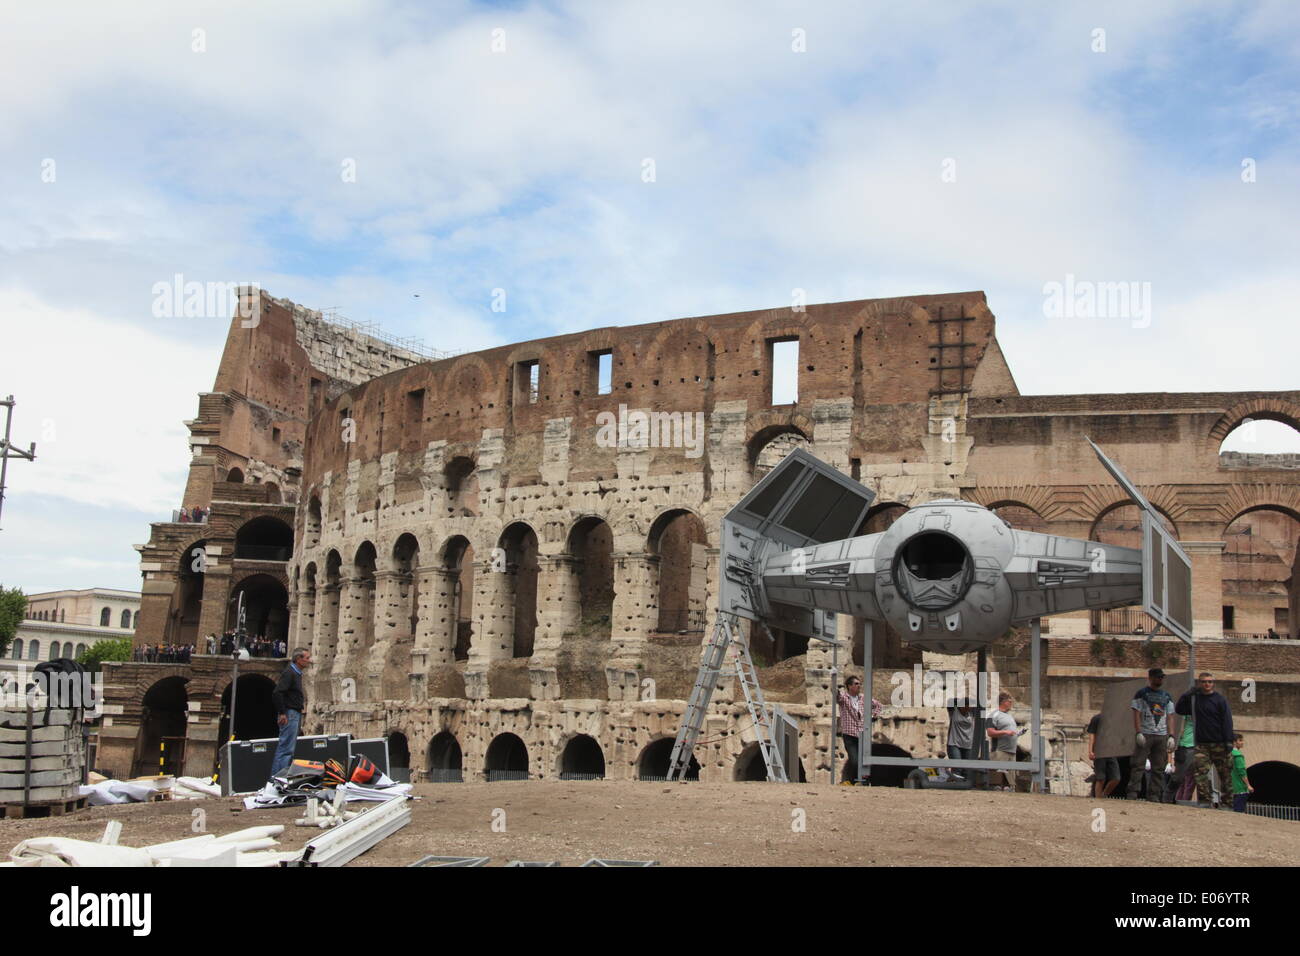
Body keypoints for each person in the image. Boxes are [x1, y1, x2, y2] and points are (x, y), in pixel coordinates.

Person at [1175, 672, 1235, 809]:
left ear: (1213, 683)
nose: (1207, 684)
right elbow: (1179, 709)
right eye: (1203, 682)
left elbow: (1227, 721)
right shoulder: (1196, 700)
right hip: (1202, 744)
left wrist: (1229, 741)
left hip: (1220, 743)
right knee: (1199, 774)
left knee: (1225, 775)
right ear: (1199, 683)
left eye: (1209, 681)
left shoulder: (1220, 700)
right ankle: (1205, 801)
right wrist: (1186, 695)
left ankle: (1227, 803)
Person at [1128, 668, 1175, 801]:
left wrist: (1171, 735)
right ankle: (1133, 792)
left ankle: (1154, 794)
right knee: (1138, 764)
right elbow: (1136, 713)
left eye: (1161, 677)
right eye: (1157, 677)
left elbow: (1170, 716)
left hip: (1161, 735)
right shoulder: (1141, 694)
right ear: (1150, 678)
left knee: (1159, 766)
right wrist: (1138, 732)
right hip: (1146, 733)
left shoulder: (1167, 696)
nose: (1160, 679)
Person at [270, 648, 312, 776]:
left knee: (289, 748)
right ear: (299, 659)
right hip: (290, 713)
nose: (309, 661)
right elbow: (277, 693)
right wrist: (282, 712)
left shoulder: (296, 673)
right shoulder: (290, 673)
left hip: (293, 713)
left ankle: (282, 777)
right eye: (307, 658)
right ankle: (278, 778)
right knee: (285, 749)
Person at [987, 691, 1026, 792]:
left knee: (1011, 777)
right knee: (999, 775)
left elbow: (1011, 733)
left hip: (1012, 751)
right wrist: (1005, 732)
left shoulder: (1009, 716)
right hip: (1000, 750)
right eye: (1009, 701)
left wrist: (1019, 733)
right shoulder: (994, 715)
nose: (1011, 703)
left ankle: (1009, 789)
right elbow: (990, 732)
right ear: (1003, 702)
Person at [837, 675, 865, 785]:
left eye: (859, 684)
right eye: (856, 684)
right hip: (849, 734)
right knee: (854, 760)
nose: (859, 686)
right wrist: (834, 683)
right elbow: (836, 696)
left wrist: (872, 716)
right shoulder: (844, 698)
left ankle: (861, 780)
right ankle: (853, 780)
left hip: (862, 734)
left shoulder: (863, 698)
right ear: (849, 686)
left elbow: (878, 706)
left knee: (863, 759)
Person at [1086, 710, 1120, 798]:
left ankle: (1104, 794)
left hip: (1110, 751)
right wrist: (1090, 751)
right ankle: (1098, 798)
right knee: (1101, 778)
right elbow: (1092, 736)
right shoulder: (1097, 719)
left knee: (1116, 778)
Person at [945, 701, 974, 781]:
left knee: (966, 769)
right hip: (954, 743)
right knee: (957, 767)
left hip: (968, 744)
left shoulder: (971, 714)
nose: (968, 708)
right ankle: (955, 784)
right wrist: (960, 700)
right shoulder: (954, 711)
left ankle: (964, 786)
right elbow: (949, 700)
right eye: (965, 706)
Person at [1230, 734, 1253, 812]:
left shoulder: (1228, 754)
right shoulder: (1238, 756)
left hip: (1231, 788)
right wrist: (1248, 785)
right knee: (1239, 811)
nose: (1242, 742)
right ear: (1234, 742)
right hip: (1240, 789)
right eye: (1240, 740)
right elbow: (1242, 772)